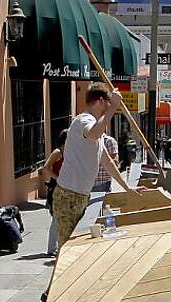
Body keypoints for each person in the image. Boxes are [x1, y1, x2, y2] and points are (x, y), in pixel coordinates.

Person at [52, 84, 139, 248]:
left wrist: (127, 187)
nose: (109, 106)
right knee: (67, 248)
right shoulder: (84, 120)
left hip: (80, 195)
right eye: (108, 102)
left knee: (78, 245)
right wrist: (114, 106)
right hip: (68, 195)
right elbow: (93, 132)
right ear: (101, 101)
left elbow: (108, 163)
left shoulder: (96, 132)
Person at [41, 129, 68, 256]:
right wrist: (58, 178)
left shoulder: (70, 152)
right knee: (56, 218)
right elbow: (45, 168)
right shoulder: (58, 152)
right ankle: (51, 248)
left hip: (67, 188)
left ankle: (60, 244)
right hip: (57, 188)